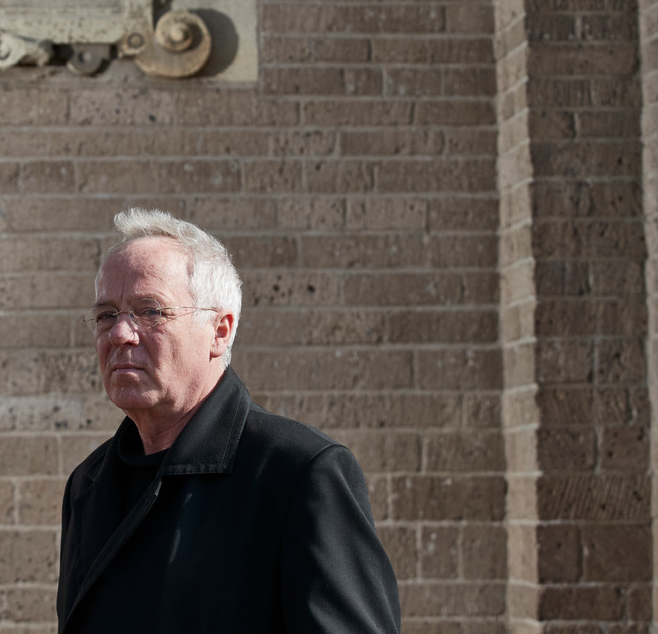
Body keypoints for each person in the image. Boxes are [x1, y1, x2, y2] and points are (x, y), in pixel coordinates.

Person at [57, 208, 400, 633]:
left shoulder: (298, 474)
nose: (120, 334)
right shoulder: (88, 484)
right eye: (107, 315)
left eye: (151, 311)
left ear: (220, 331)